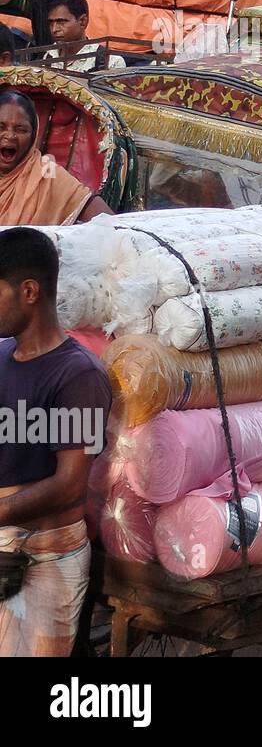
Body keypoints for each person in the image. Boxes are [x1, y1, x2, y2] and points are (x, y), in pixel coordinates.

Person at [0, 227, 111, 656]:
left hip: (48, 561)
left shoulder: (78, 375)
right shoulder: (2, 358)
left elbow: (69, 484)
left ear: (29, 291)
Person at [0, 91, 112, 226]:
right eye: (1, 127)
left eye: (21, 130)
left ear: (33, 135)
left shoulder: (48, 176)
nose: (10, 136)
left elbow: (112, 224)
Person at [44, 0, 125, 73]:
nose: (54, 29)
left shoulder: (111, 62)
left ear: (83, 21)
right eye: (51, 23)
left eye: (61, 22)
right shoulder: (49, 56)